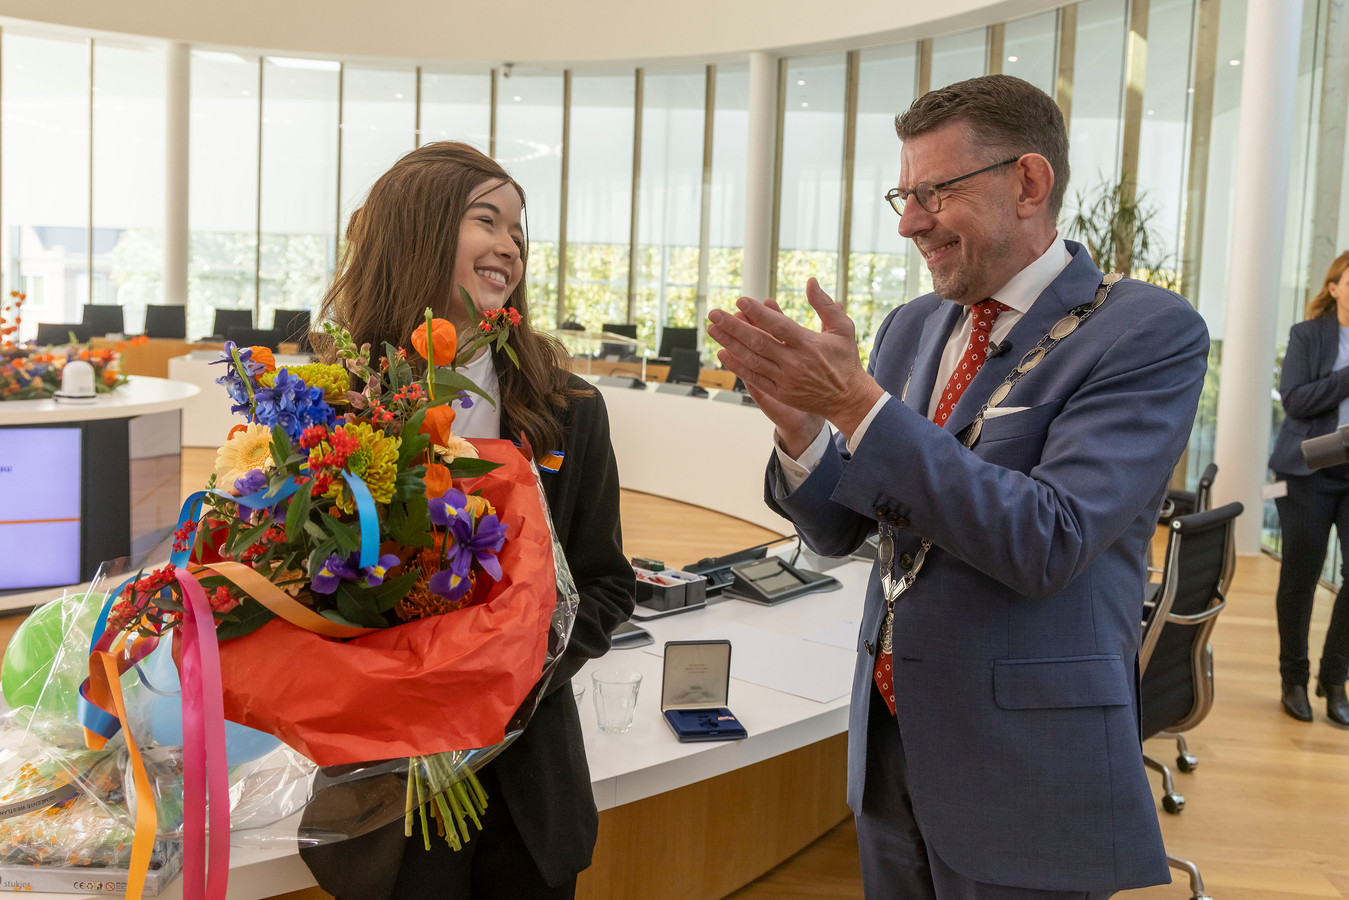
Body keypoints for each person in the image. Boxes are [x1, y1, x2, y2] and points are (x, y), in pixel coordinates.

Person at [707, 75, 1208, 899]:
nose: (909, 222)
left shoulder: (1143, 332)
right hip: (892, 750)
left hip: (1023, 767)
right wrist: (802, 432)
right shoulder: (912, 326)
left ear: (1029, 183)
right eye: (903, 194)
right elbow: (845, 531)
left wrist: (858, 407)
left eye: (935, 191)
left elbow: (1048, 541)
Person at [300, 141, 636, 899]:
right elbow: (296, 582)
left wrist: (497, 682)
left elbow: (607, 585)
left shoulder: (567, 408)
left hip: (528, 797)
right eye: (487, 220)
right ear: (416, 230)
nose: (509, 246)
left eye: (519, 230)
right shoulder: (334, 401)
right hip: (381, 801)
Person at [1267, 250, 1349, 727]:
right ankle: (1293, 678)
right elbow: (1296, 401)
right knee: (1300, 574)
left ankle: (1335, 679)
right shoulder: (1307, 335)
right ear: (1334, 287)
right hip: (1309, 472)